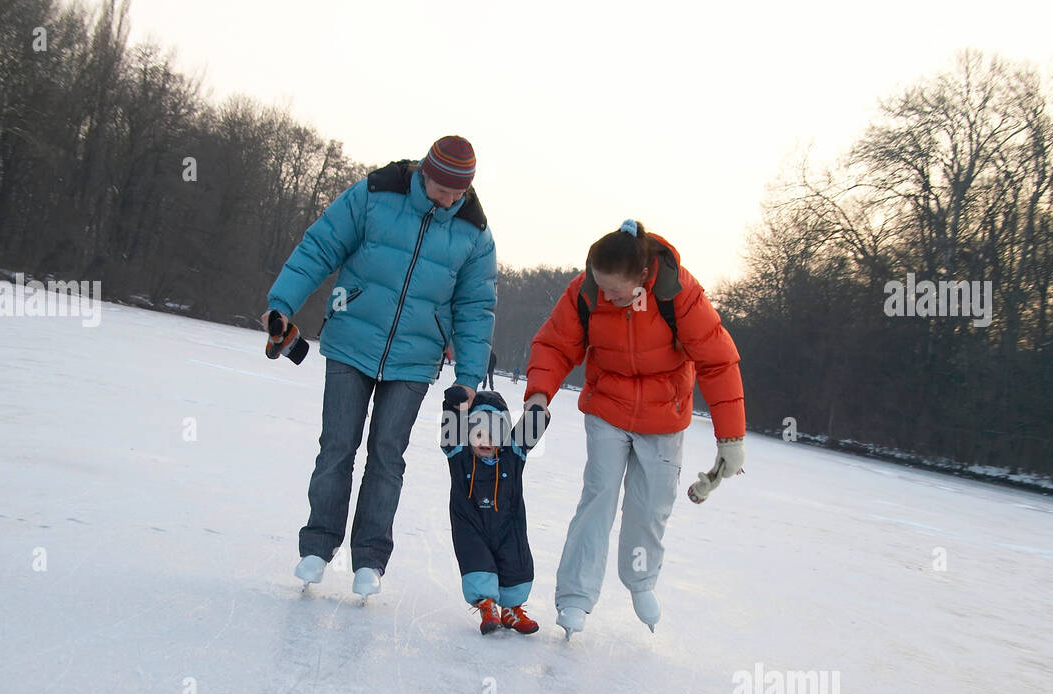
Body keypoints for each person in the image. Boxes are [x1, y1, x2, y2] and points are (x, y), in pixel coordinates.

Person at [262, 136, 496, 598]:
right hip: (352, 339)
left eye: (456, 192)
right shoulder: (374, 194)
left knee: (387, 456)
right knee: (337, 446)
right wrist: (282, 304)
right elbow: (321, 246)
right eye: (439, 187)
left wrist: (468, 379)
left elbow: (475, 308)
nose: (446, 198)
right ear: (422, 173)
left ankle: (370, 559)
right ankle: (317, 545)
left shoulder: (474, 233)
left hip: (415, 358)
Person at [523, 220, 746, 636]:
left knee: (650, 507)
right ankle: (575, 596)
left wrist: (730, 438)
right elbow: (554, 344)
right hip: (608, 407)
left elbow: (718, 361)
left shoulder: (679, 294)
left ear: (643, 277)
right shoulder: (585, 292)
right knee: (599, 496)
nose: (606, 296)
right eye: (600, 286)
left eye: (616, 291)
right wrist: (538, 395)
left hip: (664, 416)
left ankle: (640, 581)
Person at [439, 385, 549, 633]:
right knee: (476, 561)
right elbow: (450, 429)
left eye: (494, 434)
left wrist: (538, 411)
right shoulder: (458, 453)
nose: (486, 441)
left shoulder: (513, 453)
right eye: (479, 434)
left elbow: (530, 429)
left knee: (516, 563)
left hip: (508, 524)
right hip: (471, 524)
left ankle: (511, 610)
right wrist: (454, 406)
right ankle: (487, 605)